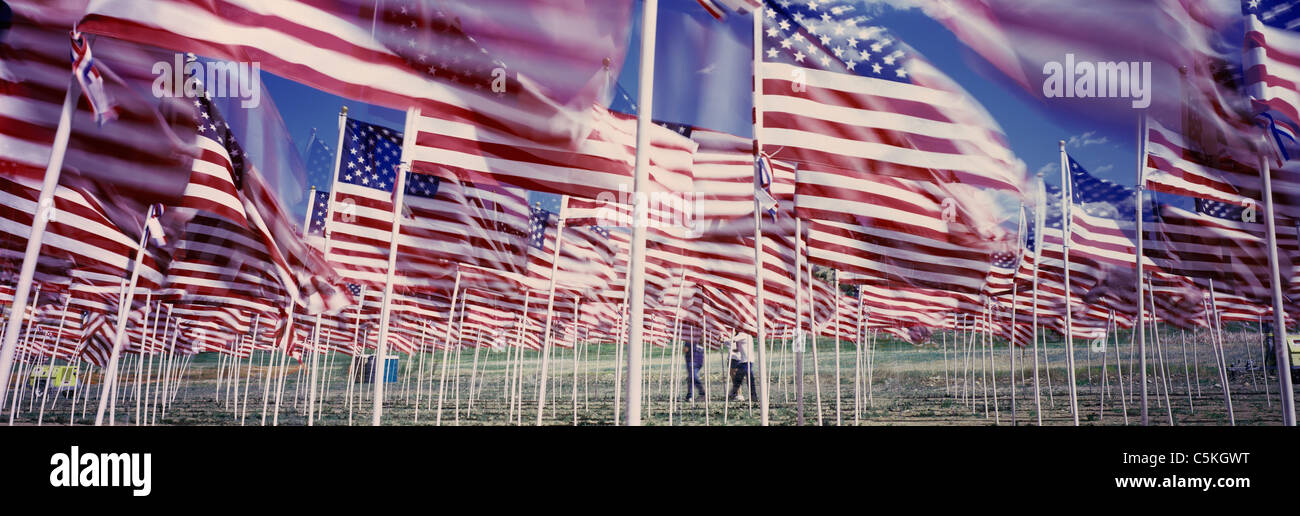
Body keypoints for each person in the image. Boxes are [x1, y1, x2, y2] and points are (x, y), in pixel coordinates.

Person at [727, 332, 757, 402]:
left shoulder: (743, 334)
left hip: (746, 361)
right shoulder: (747, 335)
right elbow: (738, 348)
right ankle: (734, 393)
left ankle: (753, 396)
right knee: (738, 379)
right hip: (744, 361)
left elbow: (732, 340)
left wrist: (724, 340)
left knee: (749, 379)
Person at [682, 336, 706, 402]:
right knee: (692, 377)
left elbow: (685, 349)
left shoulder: (700, 341)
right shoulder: (690, 340)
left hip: (696, 363)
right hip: (693, 362)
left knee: (692, 377)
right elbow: (685, 349)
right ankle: (691, 395)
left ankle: (700, 393)